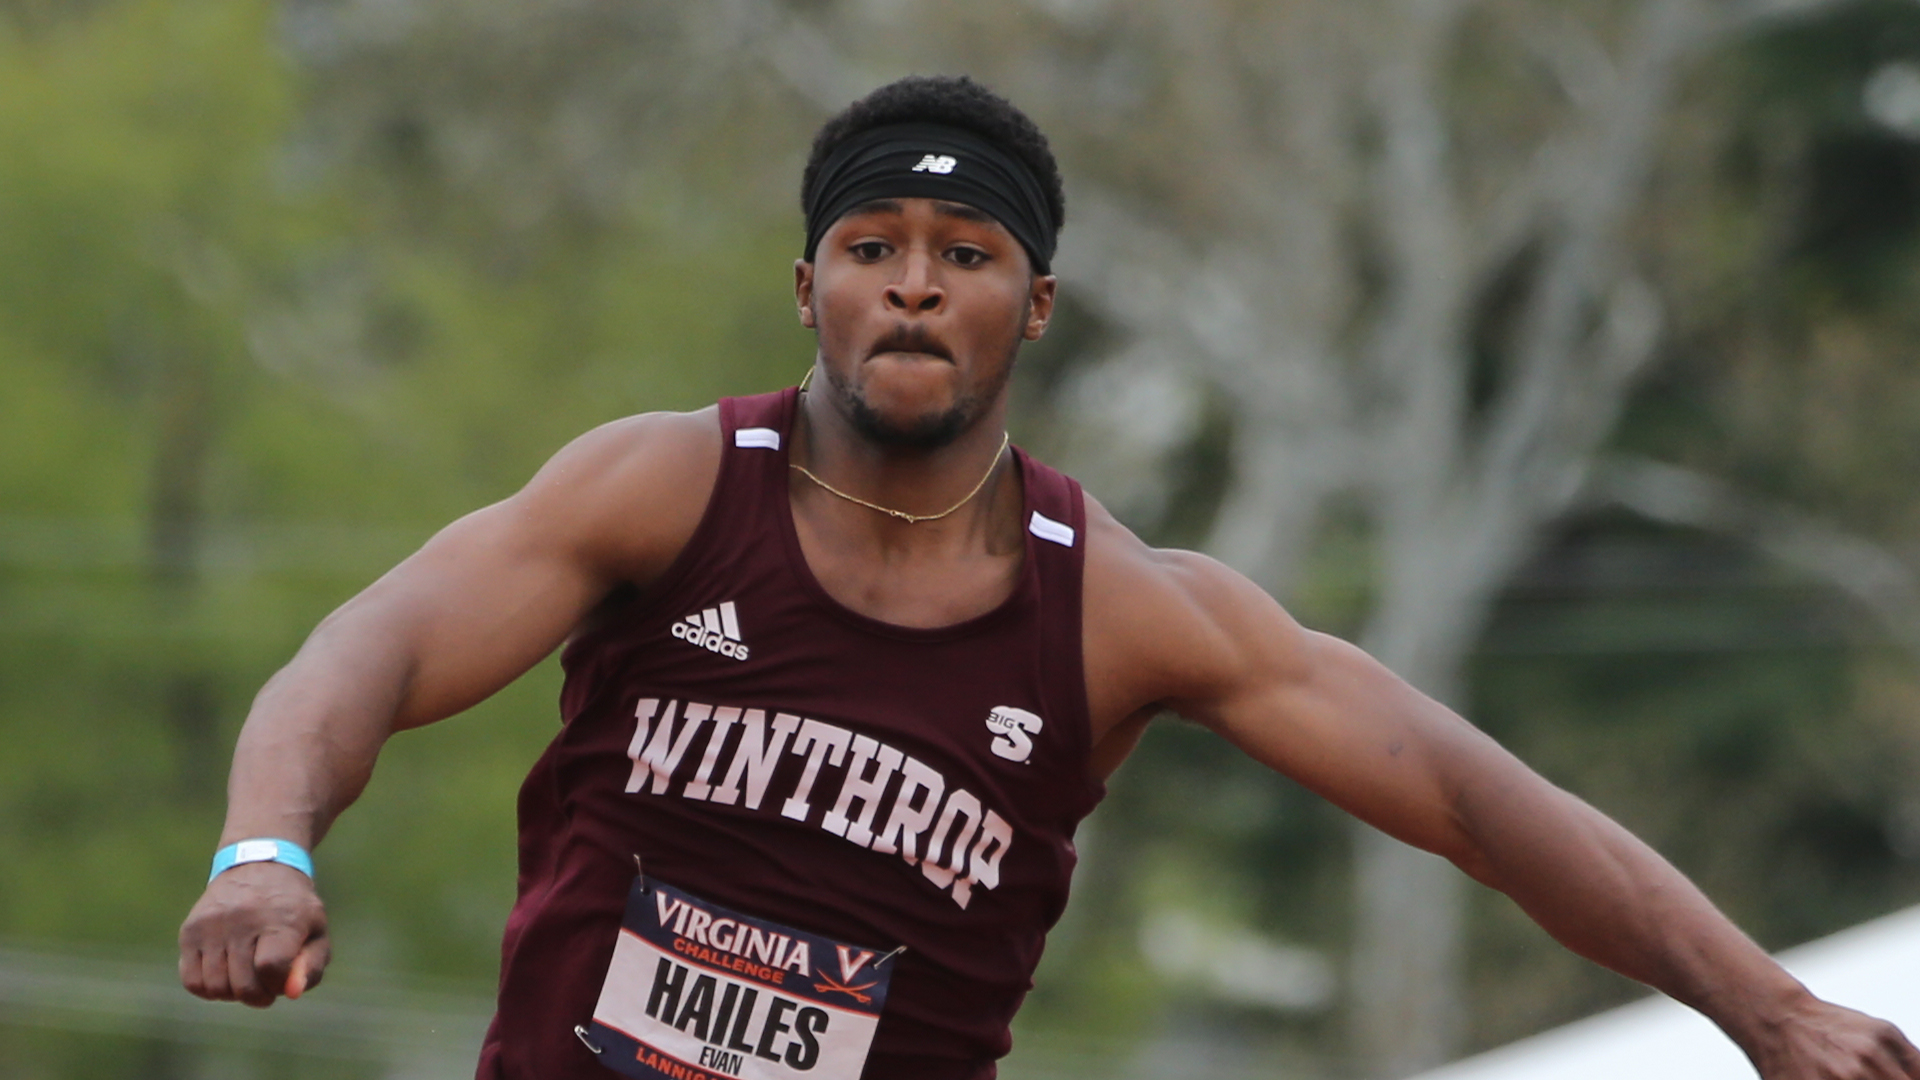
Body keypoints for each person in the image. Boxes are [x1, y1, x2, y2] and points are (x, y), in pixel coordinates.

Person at [179, 74, 1920, 1080]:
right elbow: (375, 647)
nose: (916, 289)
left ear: (1038, 306)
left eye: (967, 256)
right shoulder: (668, 484)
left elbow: (1472, 799)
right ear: (811, 292)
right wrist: (266, 849)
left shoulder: (1128, 611)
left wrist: (1765, 1008)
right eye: (874, 251)